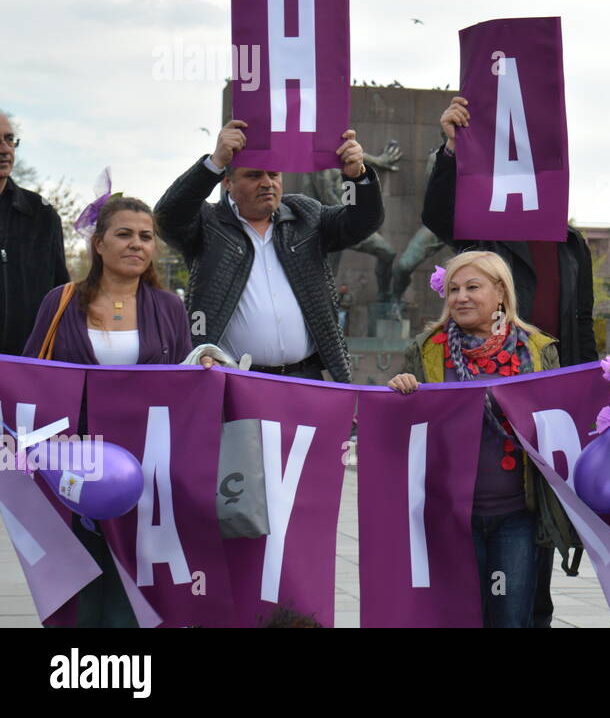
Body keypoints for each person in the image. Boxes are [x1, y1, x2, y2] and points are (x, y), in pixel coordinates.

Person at [422, 94, 599, 627]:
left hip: (550, 403)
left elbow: (582, 324)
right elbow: (437, 215)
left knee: (533, 568)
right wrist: (451, 150)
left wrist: (591, 399)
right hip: (491, 398)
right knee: (481, 590)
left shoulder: (571, 243)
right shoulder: (489, 228)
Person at [23, 196, 194, 627]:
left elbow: (187, 388)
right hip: (74, 469)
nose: (136, 244)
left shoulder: (170, 307)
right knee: (78, 585)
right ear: (98, 244)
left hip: (146, 472)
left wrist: (207, 369)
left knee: (134, 589)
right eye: (124, 234)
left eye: (146, 236)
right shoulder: (59, 302)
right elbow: (29, 378)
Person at [386, 251, 565, 628]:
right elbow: (401, 429)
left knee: (509, 617)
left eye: (472, 287)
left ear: (500, 292)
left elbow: (561, 421)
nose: (460, 297)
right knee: (460, 617)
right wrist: (400, 390)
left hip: (518, 515)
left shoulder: (538, 349)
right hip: (452, 517)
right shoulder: (426, 350)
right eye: (453, 289)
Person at [154, 119, 383, 382]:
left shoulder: (306, 216)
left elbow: (360, 222)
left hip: (306, 378)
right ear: (227, 182)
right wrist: (214, 163)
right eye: (253, 175)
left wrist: (355, 178)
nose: (267, 183)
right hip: (235, 380)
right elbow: (167, 217)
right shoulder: (208, 224)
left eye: (274, 175)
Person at [0, 111, 70, 356]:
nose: (5, 149)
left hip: (25, 370)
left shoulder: (42, 215)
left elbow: (61, 294)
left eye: (10, 140)